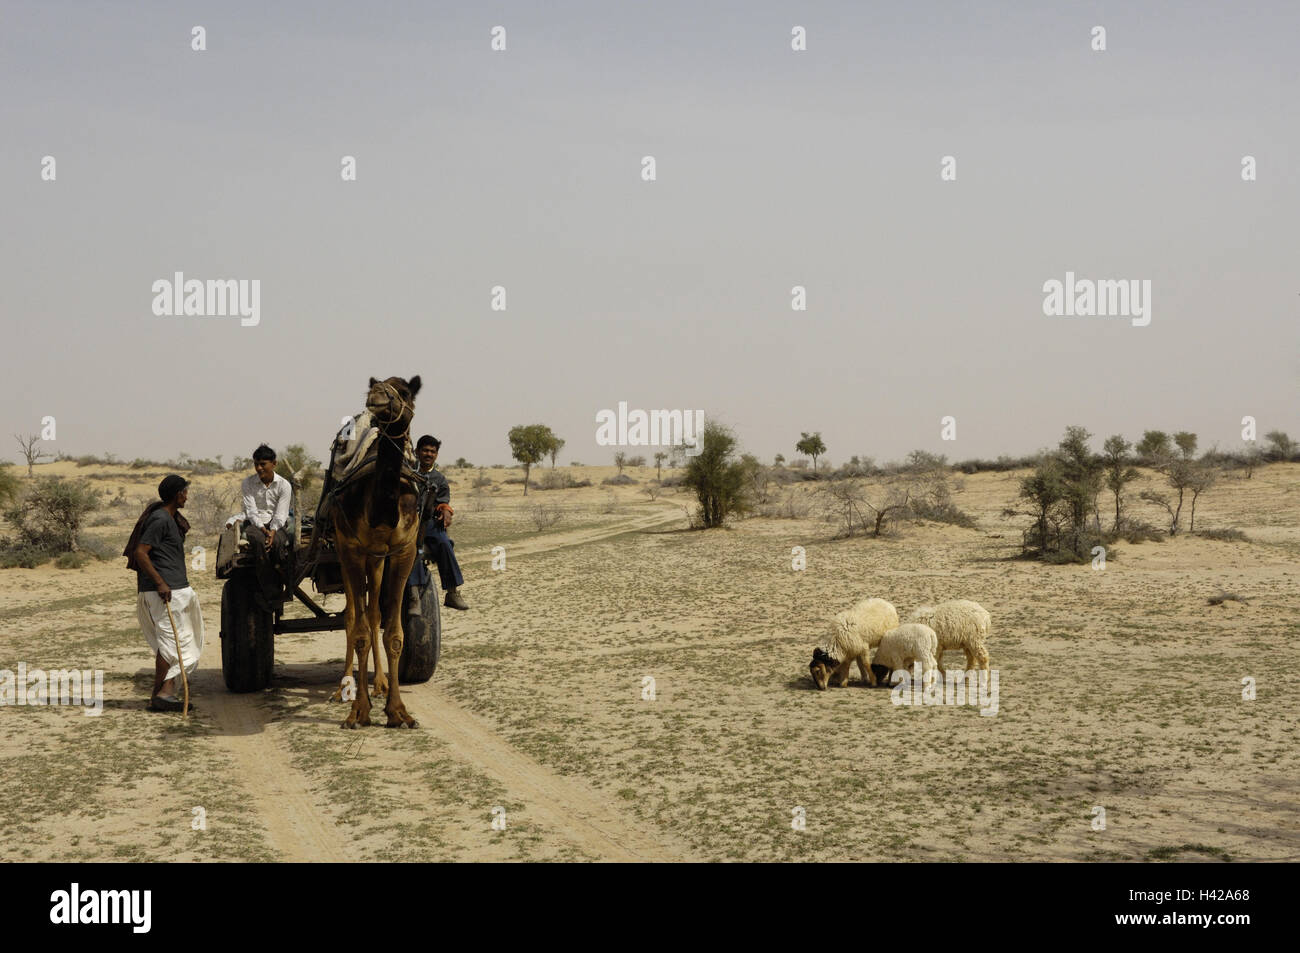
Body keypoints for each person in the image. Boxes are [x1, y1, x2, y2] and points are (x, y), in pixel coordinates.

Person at [123, 474, 204, 712]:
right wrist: (160, 583)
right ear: (177, 494)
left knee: (175, 642)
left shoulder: (168, 518)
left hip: (174, 589)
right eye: (185, 492)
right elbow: (141, 552)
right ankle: (163, 694)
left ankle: (159, 696)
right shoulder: (160, 519)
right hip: (165, 592)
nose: (187, 496)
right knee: (173, 644)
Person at [408, 435, 468, 610]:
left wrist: (445, 512)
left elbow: (443, 502)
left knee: (444, 543)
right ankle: (413, 595)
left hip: (429, 523)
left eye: (432, 451)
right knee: (414, 549)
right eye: (425, 450)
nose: (428, 454)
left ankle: (452, 592)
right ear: (417, 452)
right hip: (408, 522)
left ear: (436, 455)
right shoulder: (408, 472)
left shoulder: (439, 479)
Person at [240, 444, 292, 609]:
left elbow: (281, 513)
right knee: (261, 544)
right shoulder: (248, 483)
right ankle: (270, 595)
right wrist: (264, 530)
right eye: (256, 464)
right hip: (256, 524)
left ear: (274, 464)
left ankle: (282, 583)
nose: (259, 468)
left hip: (277, 524)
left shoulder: (284, 485)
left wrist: (273, 531)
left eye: (263, 464)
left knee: (278, 545)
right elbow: (251, 511)